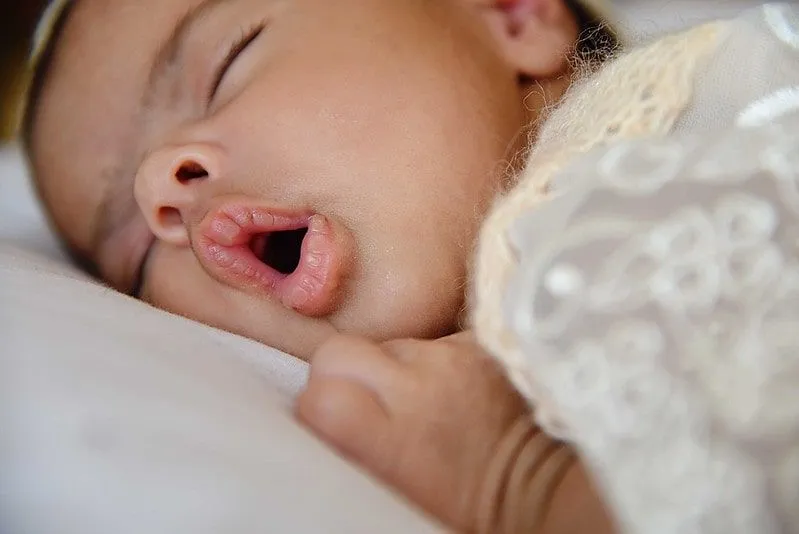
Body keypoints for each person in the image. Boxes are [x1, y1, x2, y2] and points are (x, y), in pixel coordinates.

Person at [22, 0, 624, 532]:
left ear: (513, 13)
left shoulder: (680, 133)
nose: (157, 183)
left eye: (229, 61)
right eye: (137, 257)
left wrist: (521, 480)